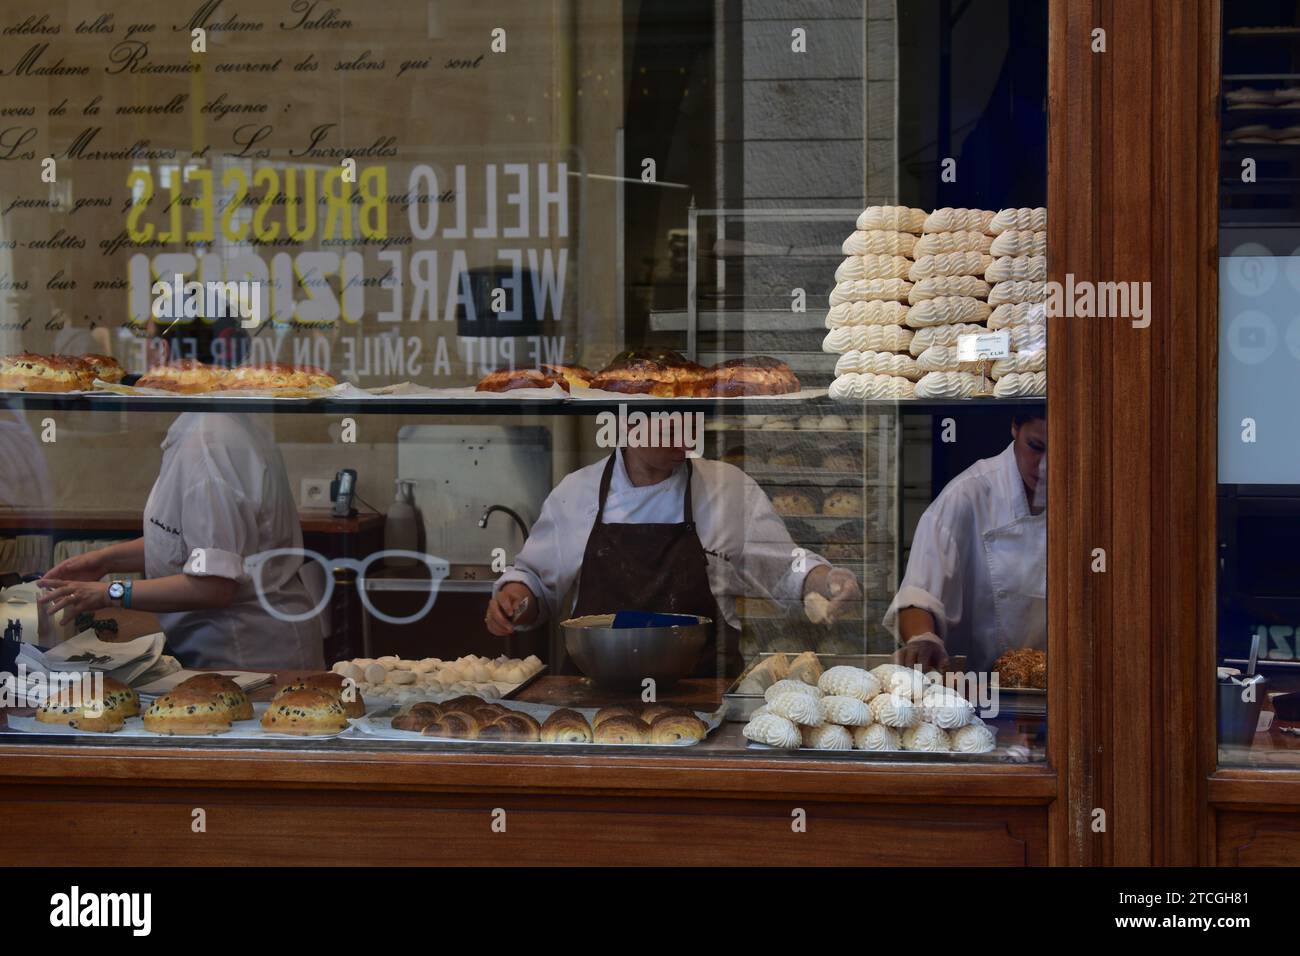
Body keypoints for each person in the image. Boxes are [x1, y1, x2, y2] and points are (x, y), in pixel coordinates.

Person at [36, 319, 323, 670]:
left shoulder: (210, 441)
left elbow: (214, 584)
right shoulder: (207, 421)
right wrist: (104, 561)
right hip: (230, 654)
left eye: (149, 342)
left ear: (166, 352)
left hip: (249, 658)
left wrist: (111, 592)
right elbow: (191, 543)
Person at [485, 435, 862, 678]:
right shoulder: (578, 492)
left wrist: (825, 579)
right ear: (626, 426)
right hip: (593, 696)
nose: (682, 436)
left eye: (686, 419)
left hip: (703, 690)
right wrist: (516, 597)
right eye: (665, 422)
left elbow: (783, 567)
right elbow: (534, 582)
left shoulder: (727, 487)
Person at [884, 413, 1046, 674]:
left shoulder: (1089, 492)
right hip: (972, 690)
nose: (1045, 466)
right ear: (1015, 426)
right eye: (1036, 447)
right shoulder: (967, 495)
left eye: (1061, 448)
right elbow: (919, 592)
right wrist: (923, 638)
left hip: (1060, 690)